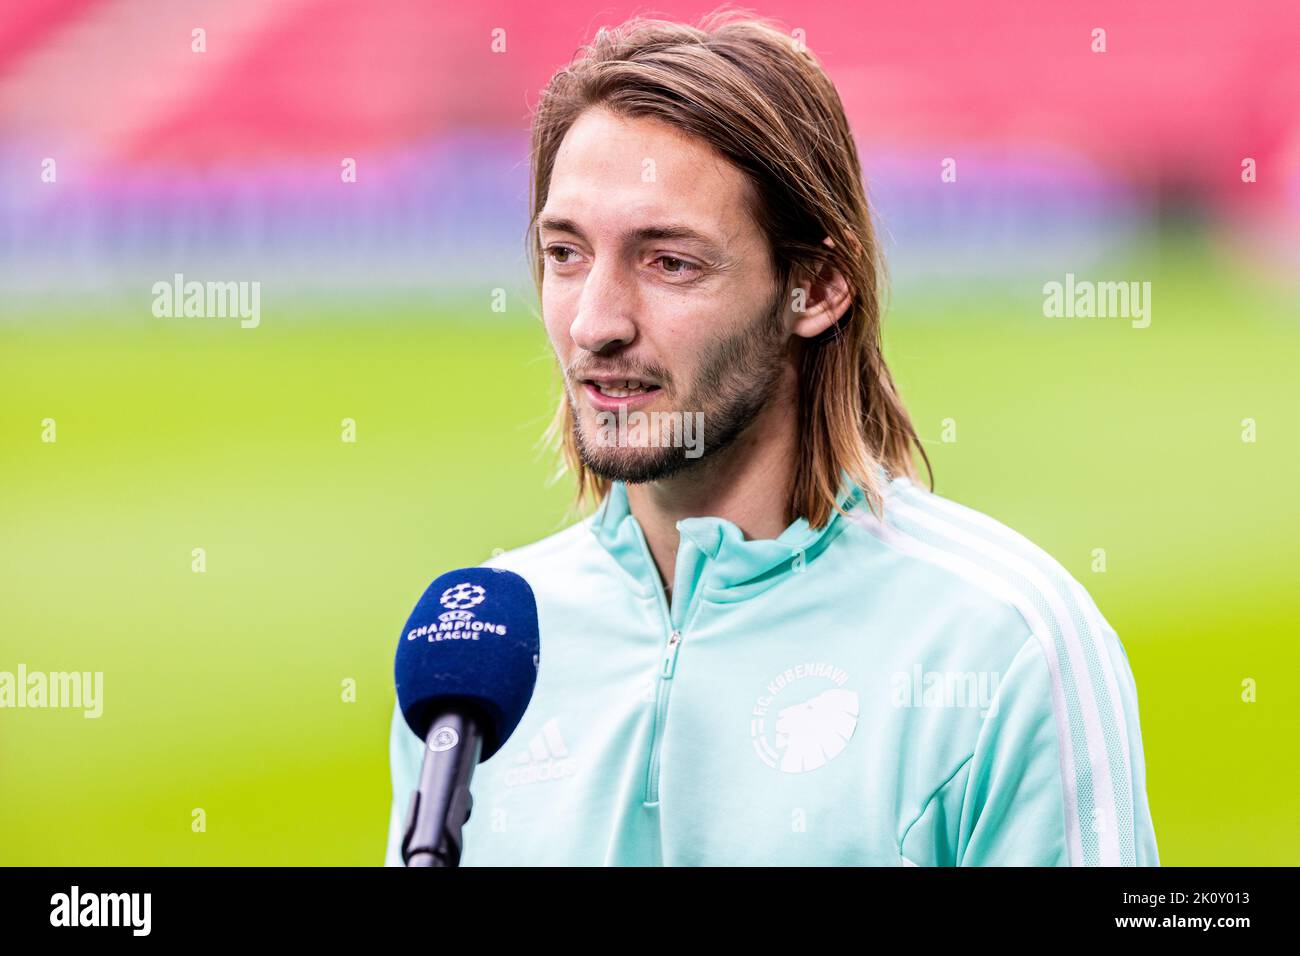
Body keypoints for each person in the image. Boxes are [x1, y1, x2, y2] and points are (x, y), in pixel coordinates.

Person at [385, 12, 1159, 866]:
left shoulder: (1005, 643)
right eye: (565, 254)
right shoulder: (472, 656)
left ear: (818, 286)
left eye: (668, 261)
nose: (595, 323)